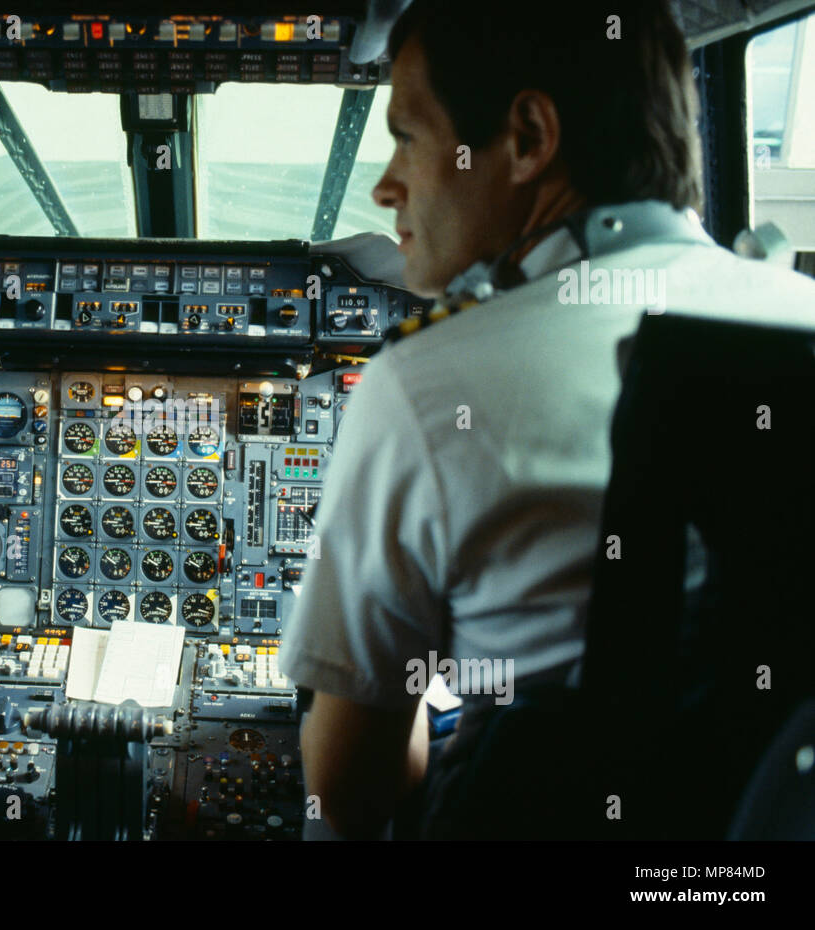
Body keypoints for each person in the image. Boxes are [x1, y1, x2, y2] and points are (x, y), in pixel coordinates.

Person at [279, 0, 815, 839]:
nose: (386, 184)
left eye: (407, 136)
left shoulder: (425, 384)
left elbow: (352, 791)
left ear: (528, 136)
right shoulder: (803, 318)